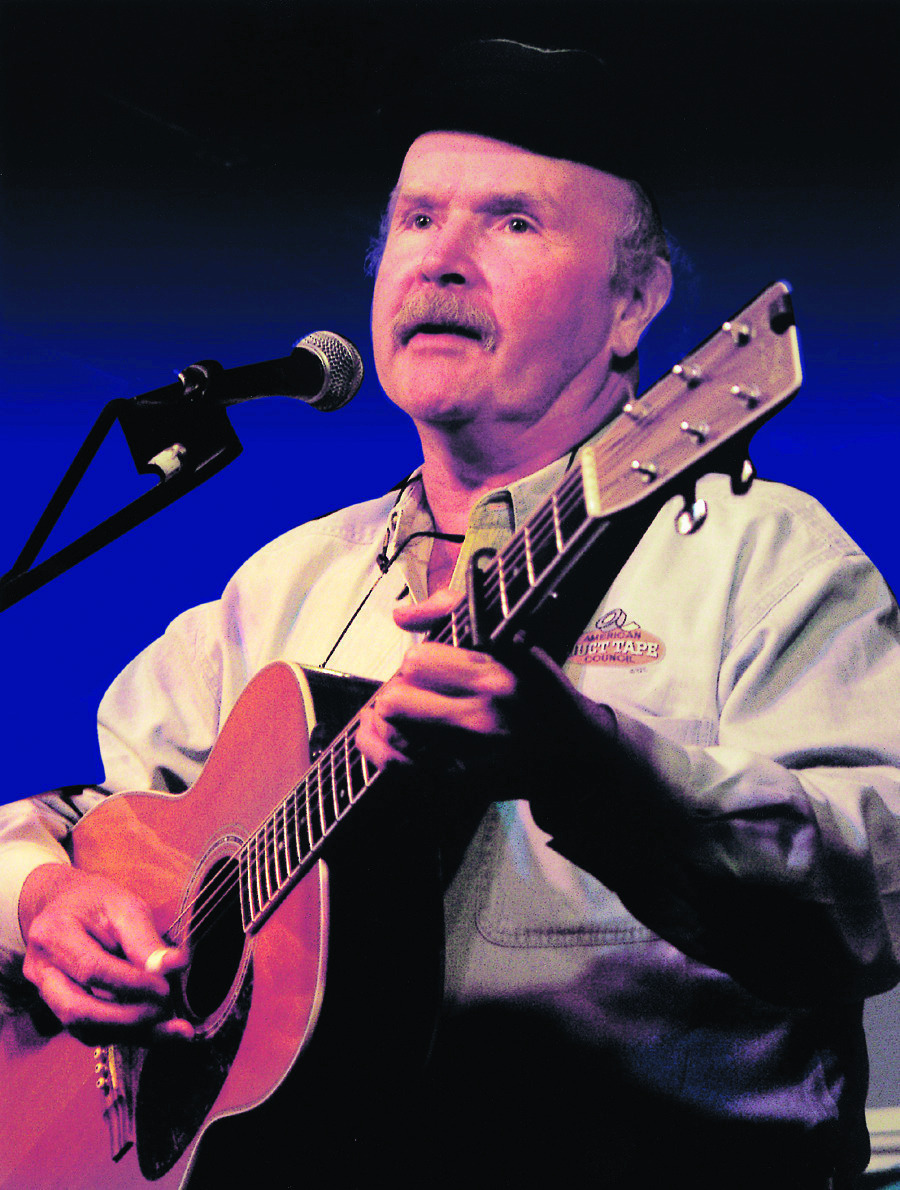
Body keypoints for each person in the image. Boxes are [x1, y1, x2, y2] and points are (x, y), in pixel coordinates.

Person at [2, 39, 899, 1189]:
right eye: (418, 219)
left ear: (635, 301)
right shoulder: (287, 585)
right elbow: (78, 812)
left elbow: (874, 895)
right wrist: (42, 898)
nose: (443, 261)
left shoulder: (759, 555)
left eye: (513, 222)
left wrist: (596, 769)